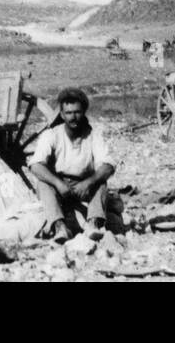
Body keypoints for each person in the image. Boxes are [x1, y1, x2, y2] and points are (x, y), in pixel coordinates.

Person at [28, 88, 115, 240]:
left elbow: (108, 165)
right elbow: (35, 165)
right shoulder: (52, 135)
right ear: (62, 114)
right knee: (43, 184)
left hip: (83, 185)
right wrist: (58, 183)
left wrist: (88, 182)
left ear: (84, 112)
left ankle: (93, 224)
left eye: (77, 112)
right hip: (59, 185)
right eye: (68, 113)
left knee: (101, 183)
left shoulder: (93, 136)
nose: (73, 117)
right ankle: (60, 227)